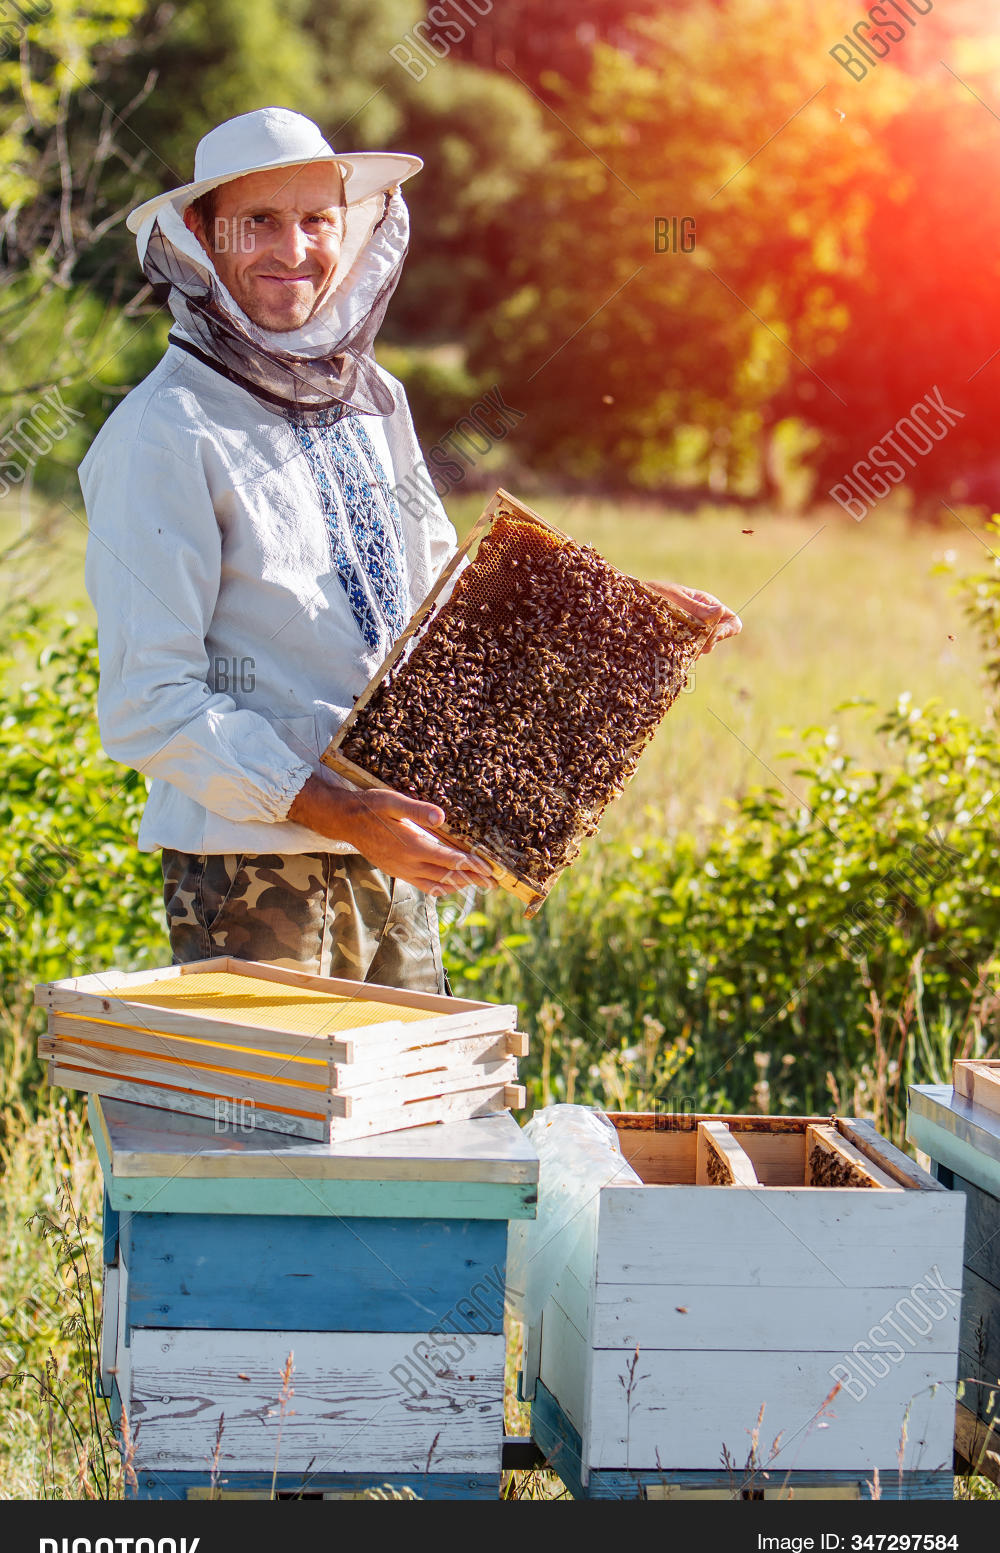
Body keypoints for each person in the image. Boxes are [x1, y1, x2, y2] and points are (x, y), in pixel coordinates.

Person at [80, 106, 741, 993]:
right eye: (259, 221)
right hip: (255, 869)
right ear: (200, 236)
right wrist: (343, 811)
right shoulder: (164, 432)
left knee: (411, 1087)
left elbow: (442, 602)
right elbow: (149, 703)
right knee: (285, 1090)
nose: (294, 249)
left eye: (316, 220)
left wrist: (617, 611)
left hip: (397, 848)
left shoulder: (372, 399)